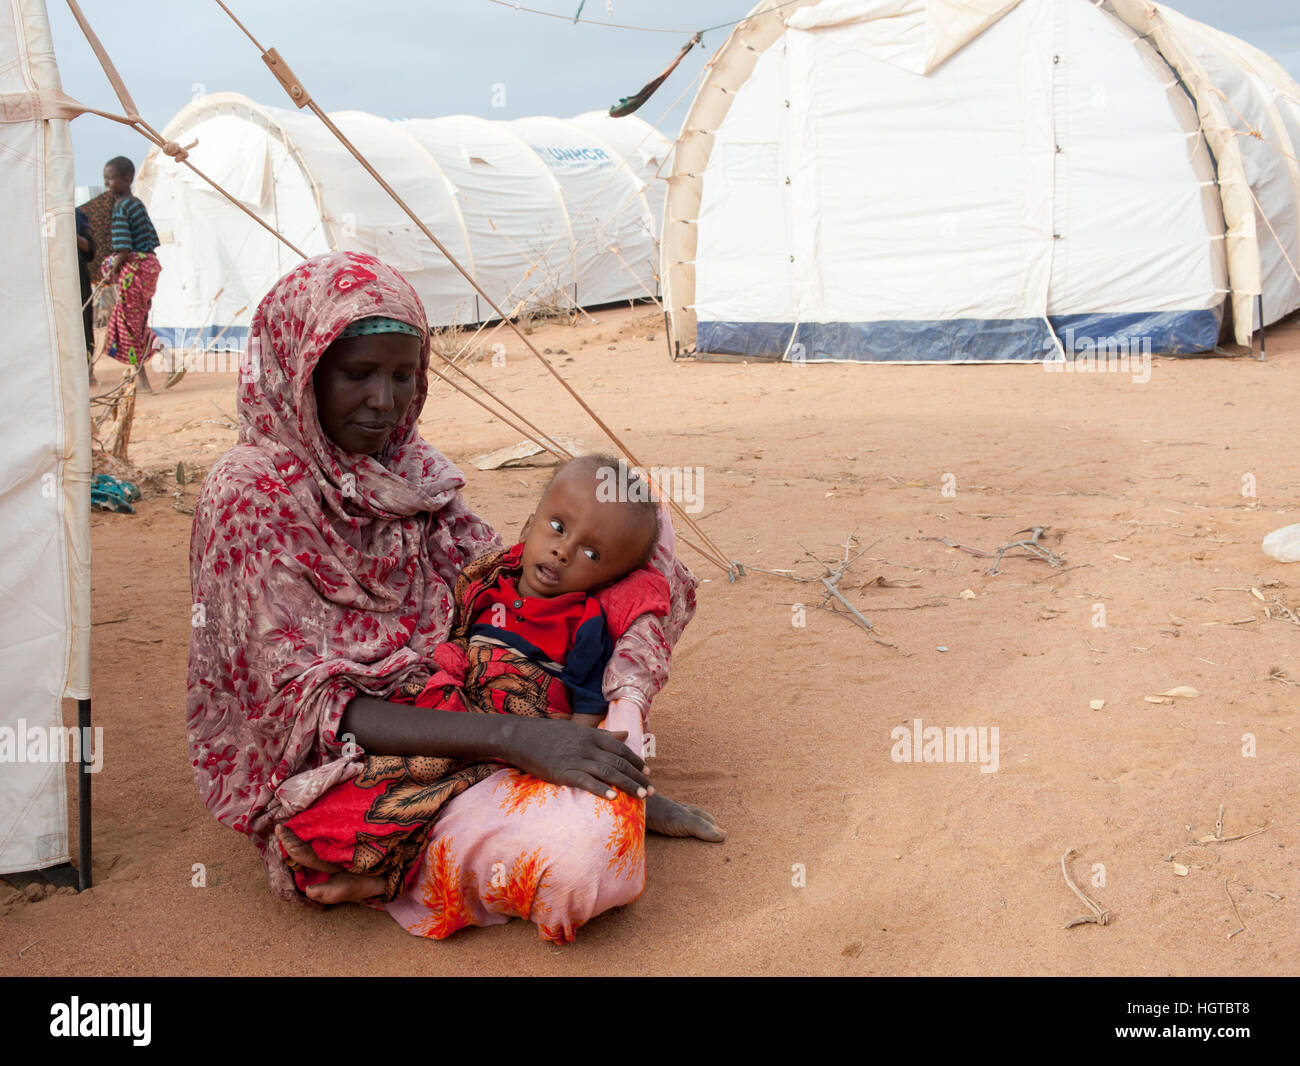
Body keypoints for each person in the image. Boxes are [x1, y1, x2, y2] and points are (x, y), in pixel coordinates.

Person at [187, 251, 723, 945]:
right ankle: (577, 791)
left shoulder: (406, 468)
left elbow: (495, 574)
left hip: (464, 694)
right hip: (353, 757)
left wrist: (561, 692)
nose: (385, 403)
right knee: (582, 865)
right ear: (301, 370)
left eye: (403, 376)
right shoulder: (249, 496)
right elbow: (309, 712)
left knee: (639, 523)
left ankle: (613, 753)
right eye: (358, 375)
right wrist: (516, 739)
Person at [277, 452, 670, 903]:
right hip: (461, 713)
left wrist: (574, 752)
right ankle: (338, 846)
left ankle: (386, 877)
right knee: (389, 769)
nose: (563, 551)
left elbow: (587, 698)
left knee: (447, 795)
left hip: (527, 731)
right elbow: (455, 631)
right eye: (558, 527)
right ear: (530, 524)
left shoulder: (584, 621)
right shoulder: (488, 581)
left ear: (610, 578)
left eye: (592, 554)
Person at [100, 155, 161, 391]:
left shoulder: (122, 207)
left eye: (110, 178)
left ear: (127, 179)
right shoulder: (137, 204)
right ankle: (162, 362)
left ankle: (142, 380)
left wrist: (113, 270)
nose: (106, 184)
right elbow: (152, 240)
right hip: (149, 268)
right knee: (137, 322)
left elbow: (124, 249)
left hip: (134, 271)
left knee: (128, 326)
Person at [75, 207, 96, 383]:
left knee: (83, 321)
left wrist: (70, 234)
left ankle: (87, 368)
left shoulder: (75, 215)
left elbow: (90, 250)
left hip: (77, 275)